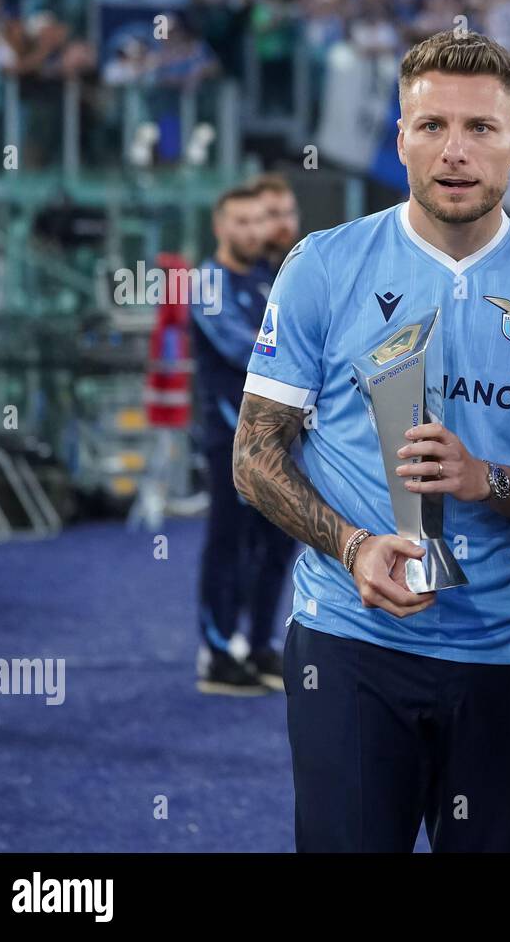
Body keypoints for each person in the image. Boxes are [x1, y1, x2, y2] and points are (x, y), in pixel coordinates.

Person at [232, 30, 510, 852]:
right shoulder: (323, 266)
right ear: (398, 139)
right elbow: (254, 458)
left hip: (504, 652)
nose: (455, 151)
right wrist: (354, 544)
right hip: (348, 642)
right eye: (431, 125)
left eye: (480, 129)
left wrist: (488, 482)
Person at [190, 185, 293, 695]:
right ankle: (216, 649)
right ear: (220, 226)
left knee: (277, 544)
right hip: (229, 438)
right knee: (228, 545)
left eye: (260, 220)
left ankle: (257, 644)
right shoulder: (207, 283)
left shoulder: (267, 278)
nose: (254, 230)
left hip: (279, 442)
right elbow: (243, 348)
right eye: (242, 222)